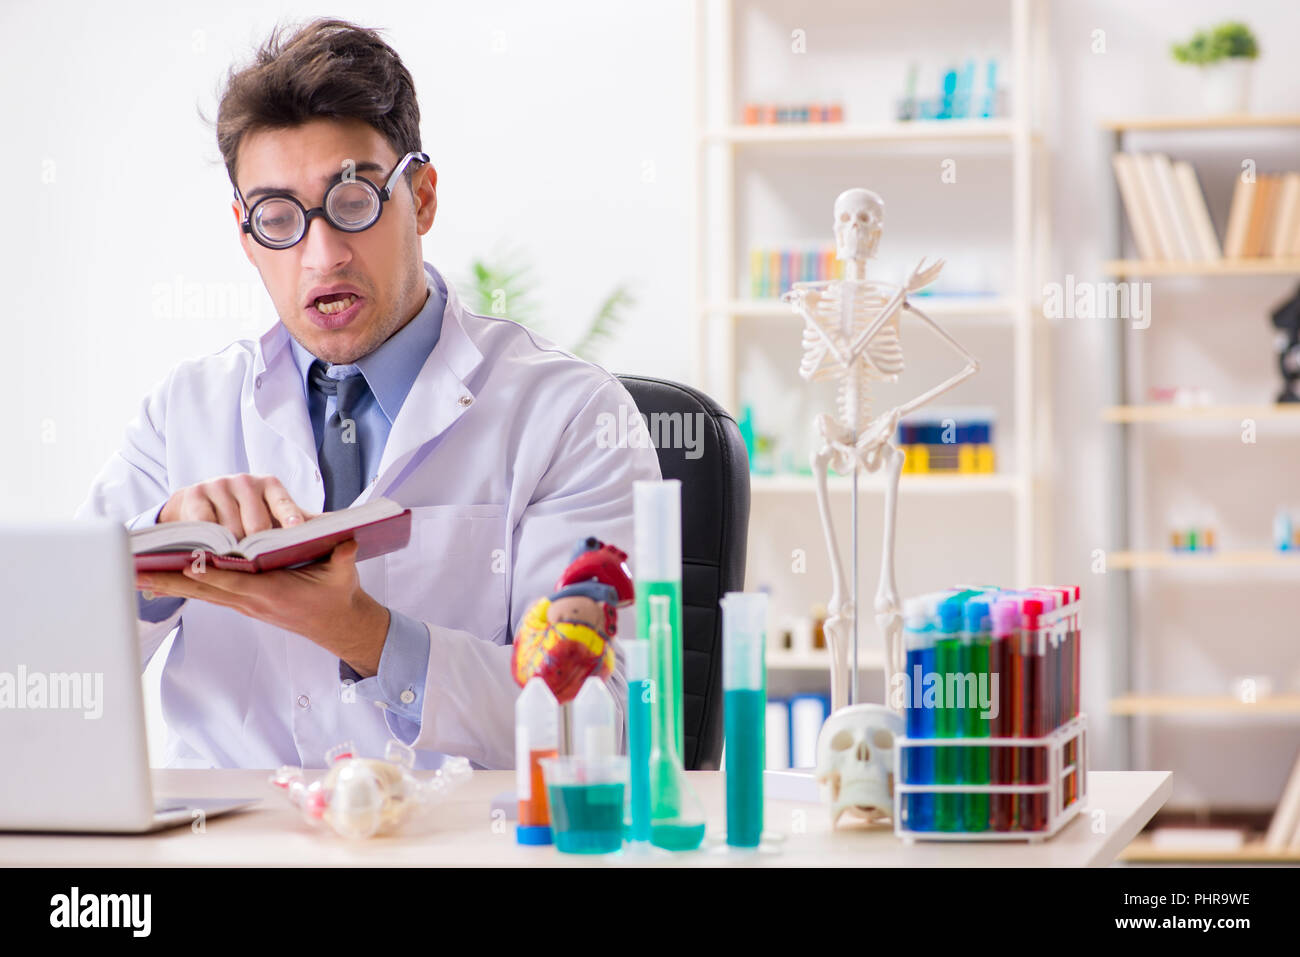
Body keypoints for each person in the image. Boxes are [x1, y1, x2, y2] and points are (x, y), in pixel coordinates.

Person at [75, 18, 661, 770]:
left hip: (456, 849)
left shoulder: (570, 414)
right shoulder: (182, 416)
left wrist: (365, 633)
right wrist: (154, 555)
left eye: (352, 200)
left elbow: (597, 720)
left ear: (421, 196)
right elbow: (45, 677)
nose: (322, 256)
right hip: (228, 848)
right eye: (278, 218)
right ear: (246, 235)